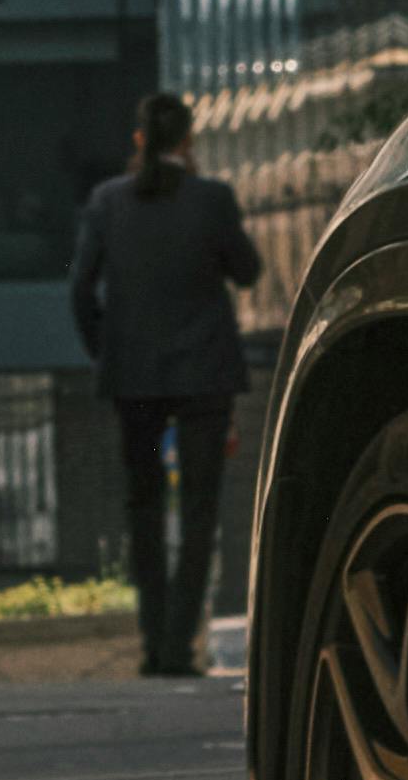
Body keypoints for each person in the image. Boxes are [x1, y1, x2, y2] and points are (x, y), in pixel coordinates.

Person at [69, 92, 268, 680]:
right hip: (204, 376)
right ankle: (180, 646)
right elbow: (248, 272)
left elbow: (80, 289)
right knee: (201, 509)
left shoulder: (108, 202)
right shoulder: (211, 199)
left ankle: (153, 642)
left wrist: (106, 350)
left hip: (135, 380)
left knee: (145, 506)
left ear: (139, 140)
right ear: (188, 141)